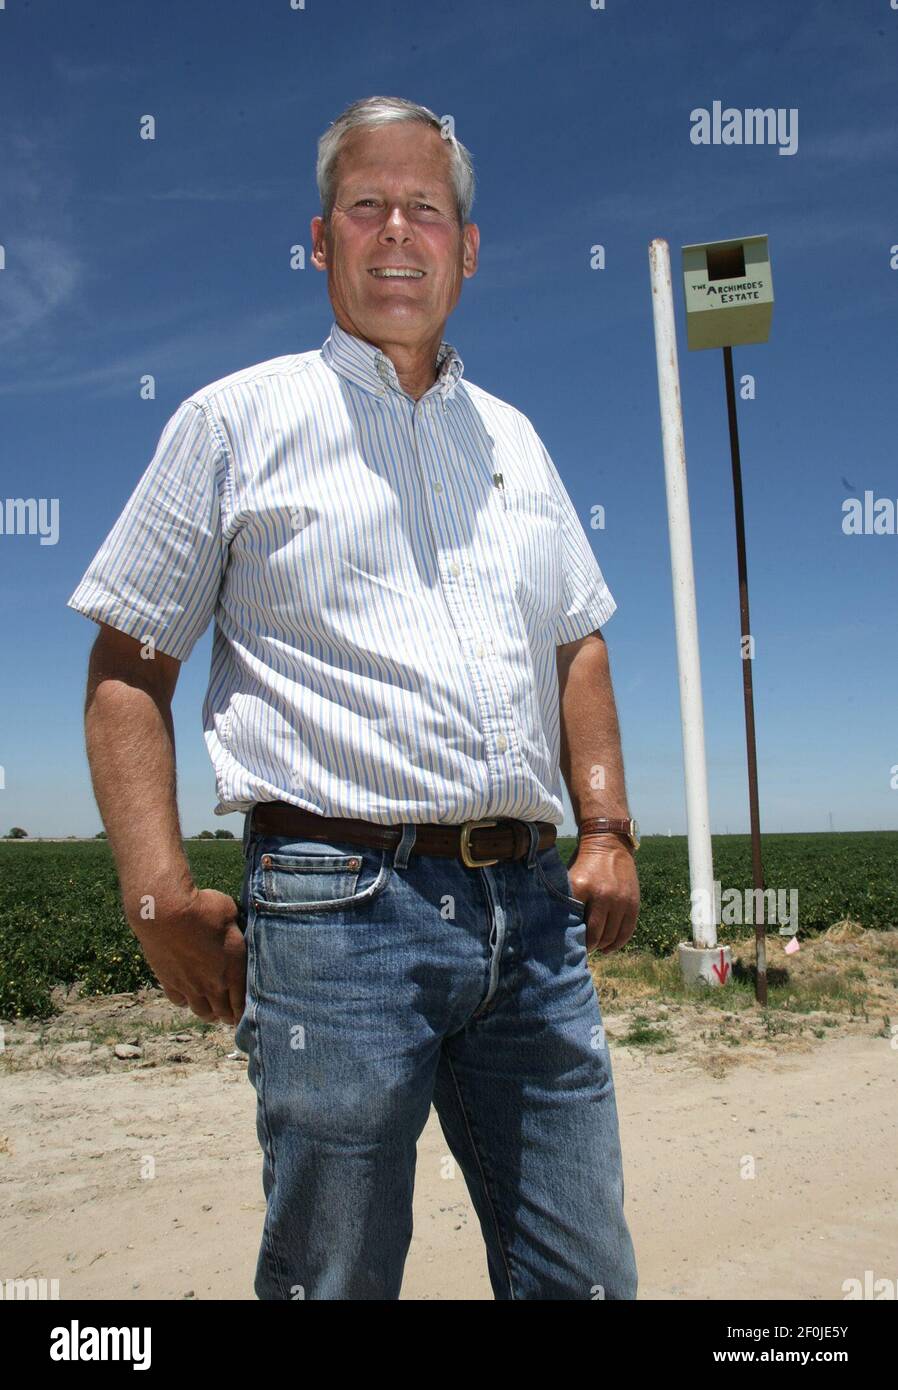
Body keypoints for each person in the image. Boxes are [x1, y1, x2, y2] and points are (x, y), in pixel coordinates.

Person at [67, 95, 640, 1301]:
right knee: (334, 1281)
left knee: (584, 1275)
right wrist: (156, 891)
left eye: (424, 208)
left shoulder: (518, 440)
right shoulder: (233, 420)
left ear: (466, 248)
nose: (395, 232)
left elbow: (577, 643)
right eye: (364, 206)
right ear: (319, 240)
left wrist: (605, 826)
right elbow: (130, 664)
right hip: (338, 914)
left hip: (534, 923)